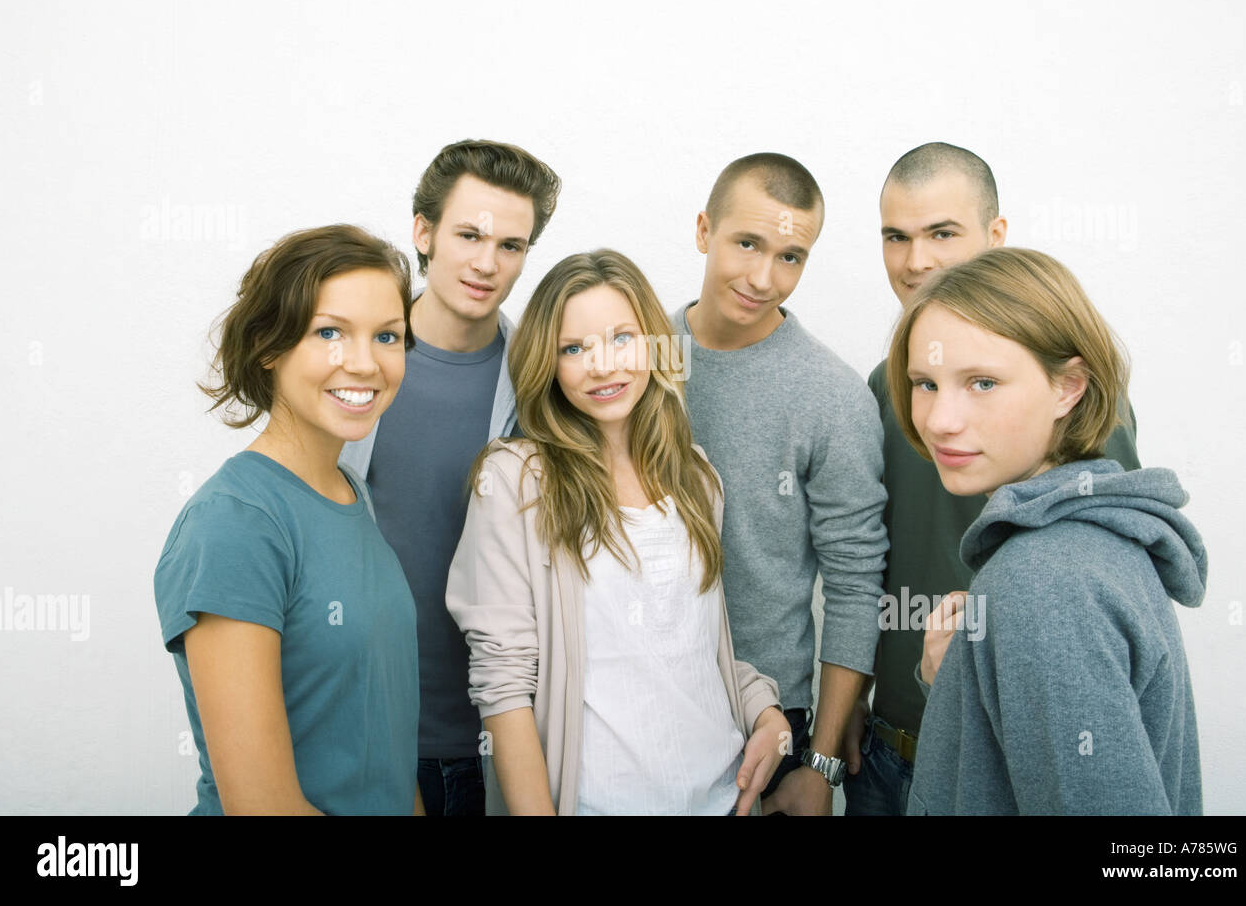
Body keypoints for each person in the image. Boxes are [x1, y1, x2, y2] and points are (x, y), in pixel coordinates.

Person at [845, 142, 1142, 815]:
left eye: (941, 233)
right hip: (884, 754)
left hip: (997, 759)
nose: (916, 260)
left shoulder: (1067, 401)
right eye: (897, 236)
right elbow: (867, 559)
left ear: (996, 235)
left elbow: (1096, 594)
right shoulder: (886, 387)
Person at [446, 249, 790, 815]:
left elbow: (693, 644)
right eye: (573, 349)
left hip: (724, 799)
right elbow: (502, 683)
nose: (602, 365)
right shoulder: (515, 480)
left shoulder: (696, 477)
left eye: (621, 338)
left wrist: (764, 709)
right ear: (548, 364)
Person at [884, 246, 1205, 814]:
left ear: (1068, 387)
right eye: (925, 383)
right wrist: (958, 679)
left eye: (982, 382)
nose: (939, 421)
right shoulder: (1088, 538)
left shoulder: (1043, 582)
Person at [153, 224, 424, 815]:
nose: (365, 363)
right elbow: (263, 807)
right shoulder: (233, 525)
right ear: (269, 347)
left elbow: (384, 744)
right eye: (329, 332)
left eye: (387, 335)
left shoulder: (351, 490)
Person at [339, 139, 560, 817]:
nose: (487, 263)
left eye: (512, 245)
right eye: (469, 234)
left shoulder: (546, 381)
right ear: (423, 232)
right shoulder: (345, 370)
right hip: (363, 736)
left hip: (505, 742)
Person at [672, 153, 888, 815]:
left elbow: (855, 580)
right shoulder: (635, 356)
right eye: (747, 243)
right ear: (704, 228)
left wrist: (820, 764)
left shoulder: (832, 395)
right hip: (632, 694)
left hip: (767, 723)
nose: (764, 277)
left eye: (791, 257)